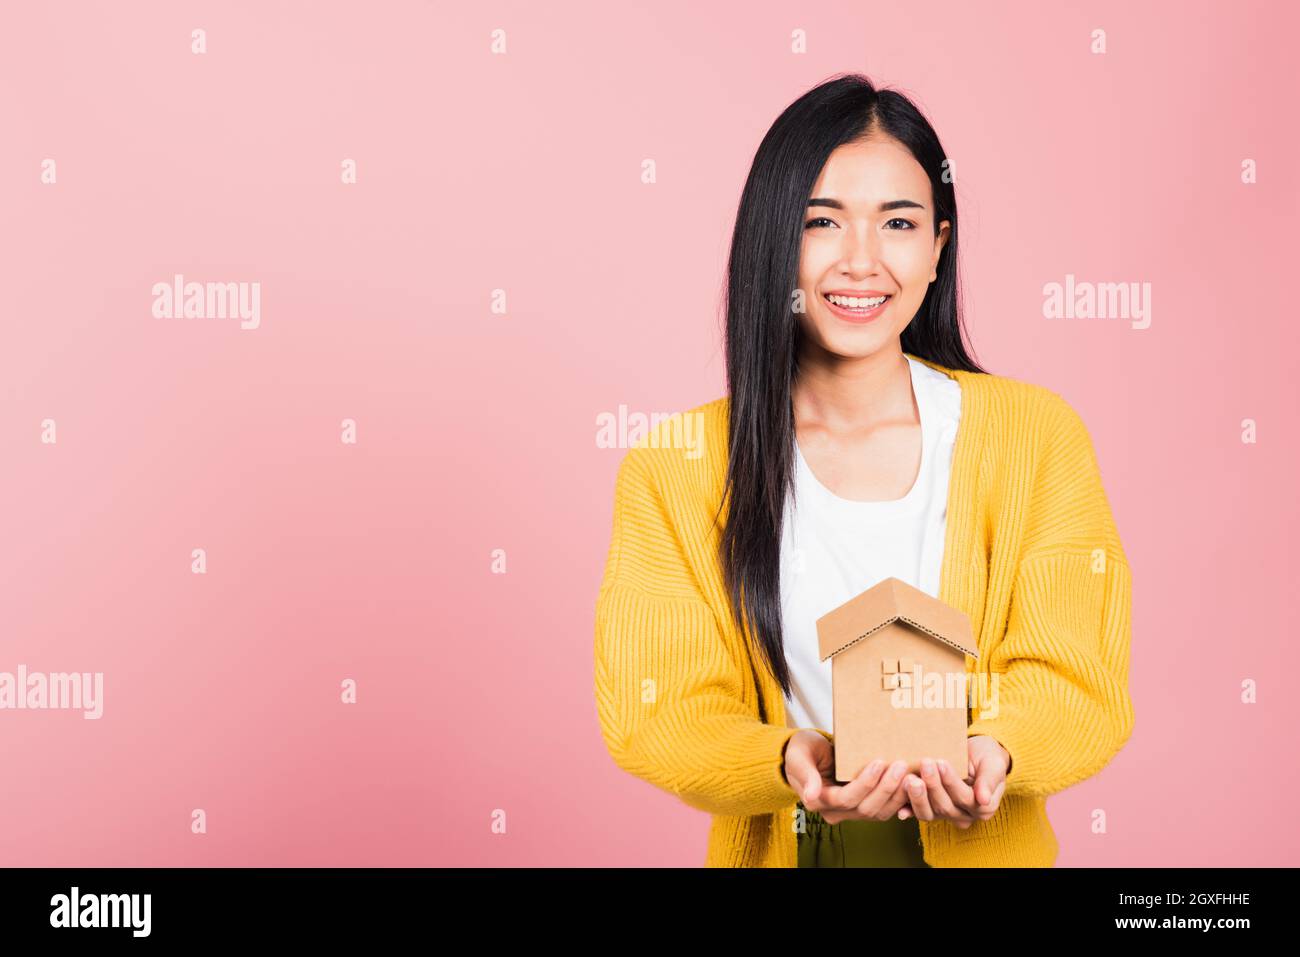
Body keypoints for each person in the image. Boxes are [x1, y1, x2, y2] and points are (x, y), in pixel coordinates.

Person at [593, 73, 1134, 868]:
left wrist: (998, 749)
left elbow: (1077, 675)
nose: (861, 261)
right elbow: (661, 710)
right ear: (775, 239)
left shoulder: (1035, 436)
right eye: (822, 221)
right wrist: (787, 758)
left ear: (939, 245)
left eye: (899, 222)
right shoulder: (676, 469)